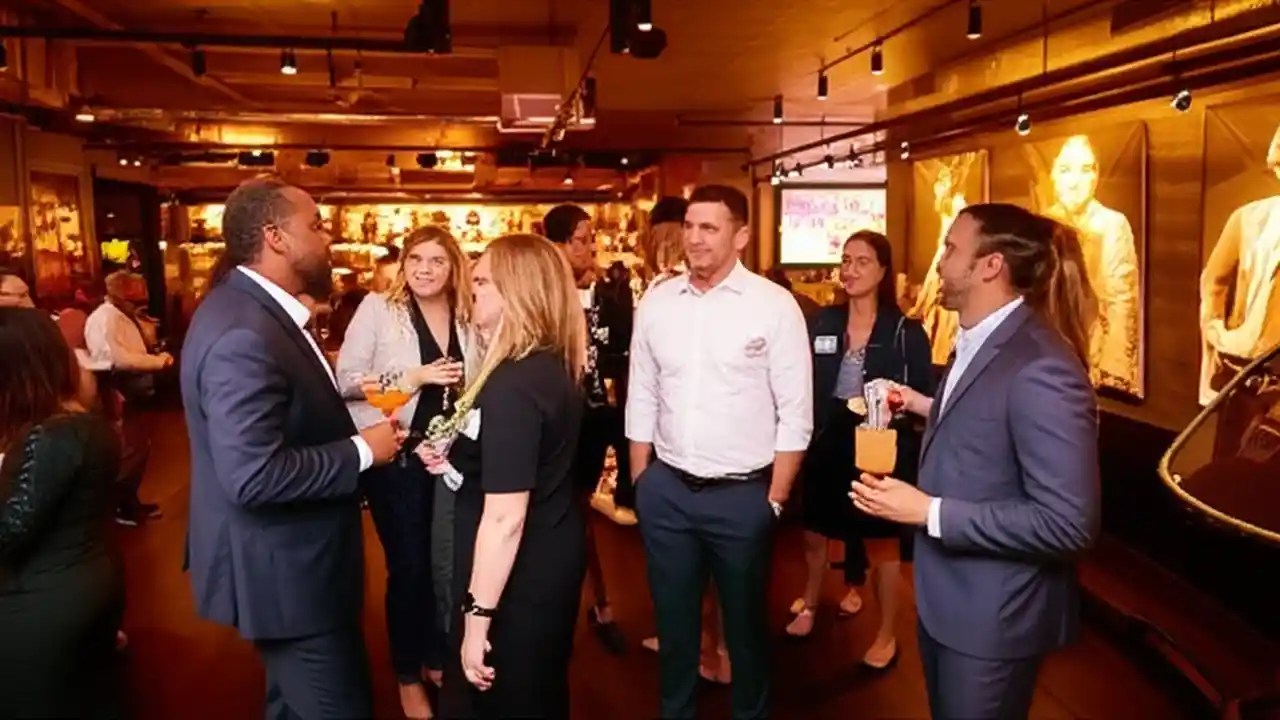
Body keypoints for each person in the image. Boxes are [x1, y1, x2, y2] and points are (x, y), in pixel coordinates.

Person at [852, 203, 1101, 720]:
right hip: (951, 602)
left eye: (950, 249)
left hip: (994, 617)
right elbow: (988, 414)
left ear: (990, 266)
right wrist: (920, 402)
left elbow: (1069, 525)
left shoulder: (1042, 366)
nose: (940, 263)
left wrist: (928, 512)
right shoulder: (981, 340)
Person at [180, 177, 401, 720]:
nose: (329, 238)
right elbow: (253, 474)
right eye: (318, 226)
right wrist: (361, 452)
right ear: (275, 237)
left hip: (298, 567)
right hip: (288, 576)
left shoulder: (256, 311)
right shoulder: (245, 333)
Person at [627, 184, 812, 719]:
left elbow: (796, 411)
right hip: (667, 491)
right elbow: (642, 392)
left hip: (743, 496)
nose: (695, 238)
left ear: (742, 236)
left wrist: (773, 499)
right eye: (690, 225)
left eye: (710, 227)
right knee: (675, 627)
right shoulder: (658, 303)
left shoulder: (773, 306)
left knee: (747, 631)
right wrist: (643, 482)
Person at [421, 233, 588, 719]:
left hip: (518, 572)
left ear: (517, 291)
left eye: (482, 282)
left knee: (501, 699)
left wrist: (476, 623)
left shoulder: (514, 382)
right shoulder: (545, 366)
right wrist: (458, 461)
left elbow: (505, 519)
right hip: (545, 552)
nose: (471, 291)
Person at [336, 226, 469, 720]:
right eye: (416, 258)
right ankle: (407, 673)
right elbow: (346, 382)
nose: (425, 269)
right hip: (398, 455)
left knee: (445, 563)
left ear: (454, 265)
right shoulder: (379, 308)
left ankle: (437, 653)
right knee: (409, 566)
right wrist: (413, 378)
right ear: (403, 262)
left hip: (453, 457)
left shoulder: (469, 312)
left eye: (437, 260)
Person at [786, 230, 934, 672]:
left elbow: (921, 396)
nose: (850, 269)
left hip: (879, 444)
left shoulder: (906, 331)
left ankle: (887, 632)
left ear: (883, 270)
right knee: (814, 528)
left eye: (862, 261)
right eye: (846, 260)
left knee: (881, 543)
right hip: (827, 436)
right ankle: (811, 601)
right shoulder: (823, 322)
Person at [0, 307, 123, 718]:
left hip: (40, 605)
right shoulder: (84, 423)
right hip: (86, 583)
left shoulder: (50, 436)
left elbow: (9, 530)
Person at [542, 203, 631, 654]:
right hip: (554, 416)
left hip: (594, 415)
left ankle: (599, 603)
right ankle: (583, 601)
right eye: (581, 239)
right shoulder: (541, 299)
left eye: (590, 237)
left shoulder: (602, 293)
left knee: (578, 509)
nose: (590, 247)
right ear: (557, 245)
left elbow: (617, 354)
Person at [85, 270, 172, 526]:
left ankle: (127, 501)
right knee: (129, 447)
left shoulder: (124, 315)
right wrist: (158, 362)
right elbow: (115, 358)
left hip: (129, 384)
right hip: (116, 385)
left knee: (138, 446)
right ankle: (118, 506)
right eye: (137, 292)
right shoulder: (106, 318)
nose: (143, 297)